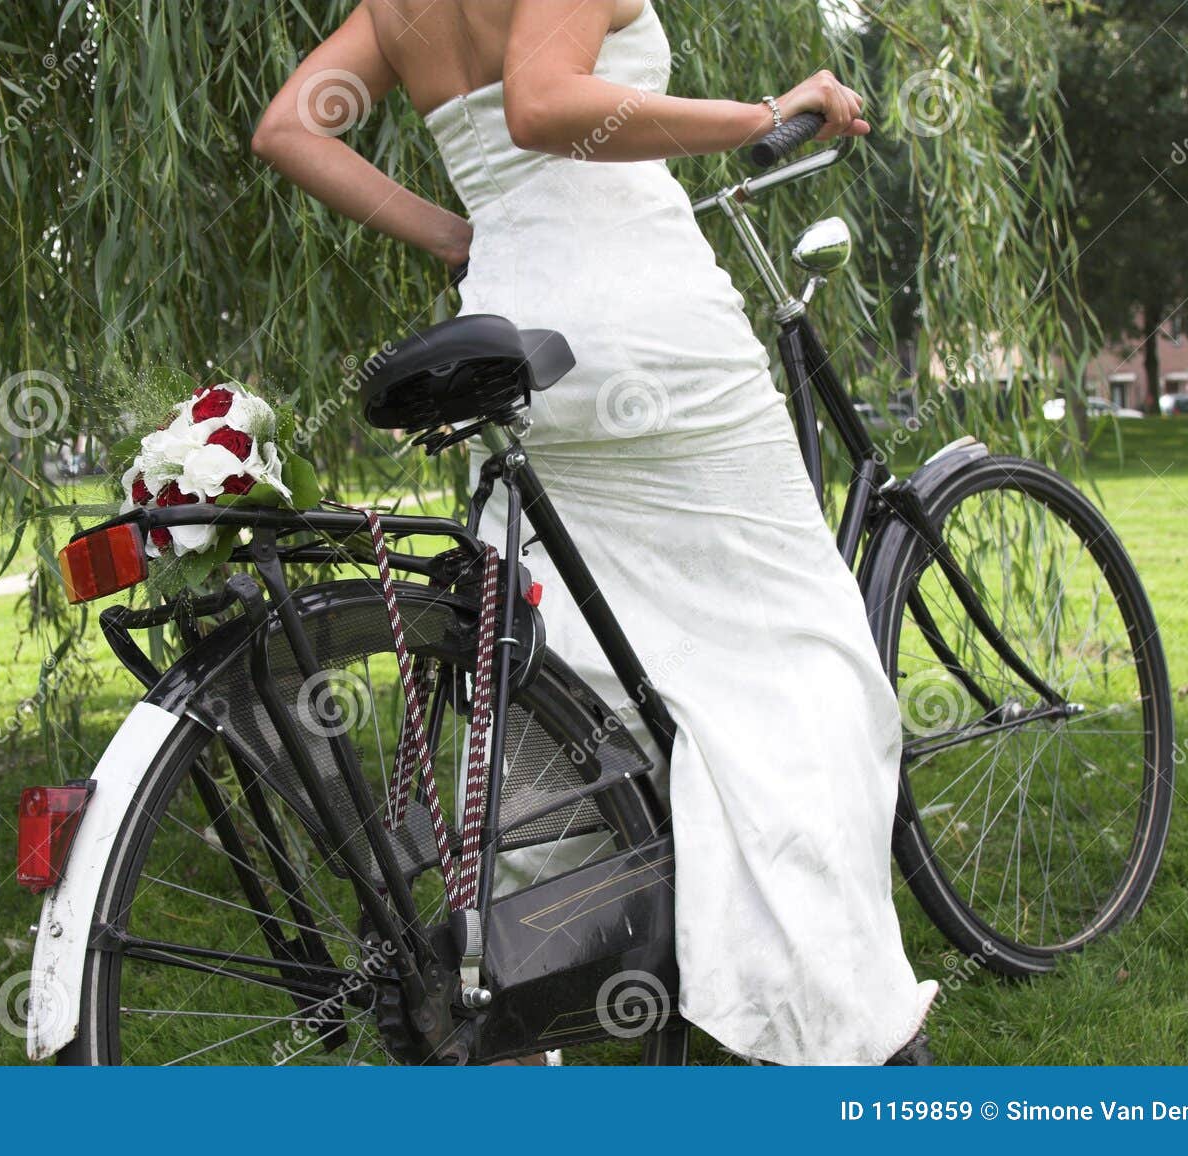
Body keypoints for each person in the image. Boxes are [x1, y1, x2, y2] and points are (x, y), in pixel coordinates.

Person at [252, 0, 937, 1065]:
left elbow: (288, 127)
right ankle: (840, 1028)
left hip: (513, 323)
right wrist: (764, 114)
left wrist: (457, 235)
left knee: (556, 679)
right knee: (797, 665)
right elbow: (544, 103)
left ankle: (529, 1010)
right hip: (642, 325)